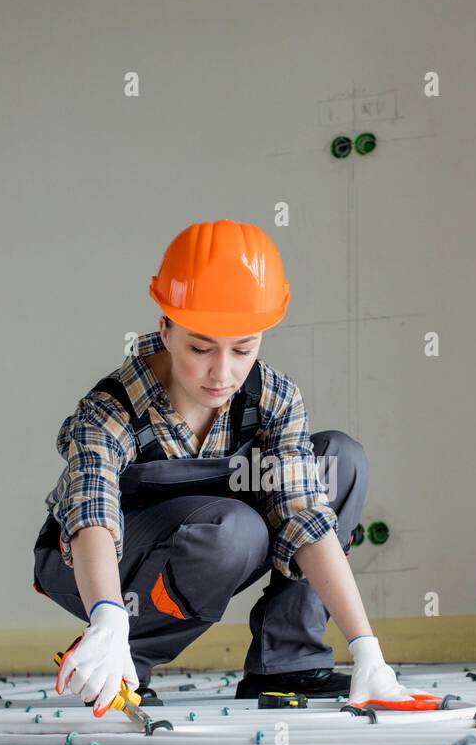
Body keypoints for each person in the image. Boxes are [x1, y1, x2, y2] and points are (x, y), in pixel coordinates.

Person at [32, 219, 420, 714]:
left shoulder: (273, 397)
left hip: (215, 534)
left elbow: (305, 516)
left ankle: (287, 661)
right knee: (234, 529)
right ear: (165, 329)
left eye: (243, 349)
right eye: (200, 348)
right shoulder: (114, 407)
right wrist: (108, 618)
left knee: (337, 461)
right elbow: (92, 513)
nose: (223, 373)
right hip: (94, 563)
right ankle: (122, 654)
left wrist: (368, 650)